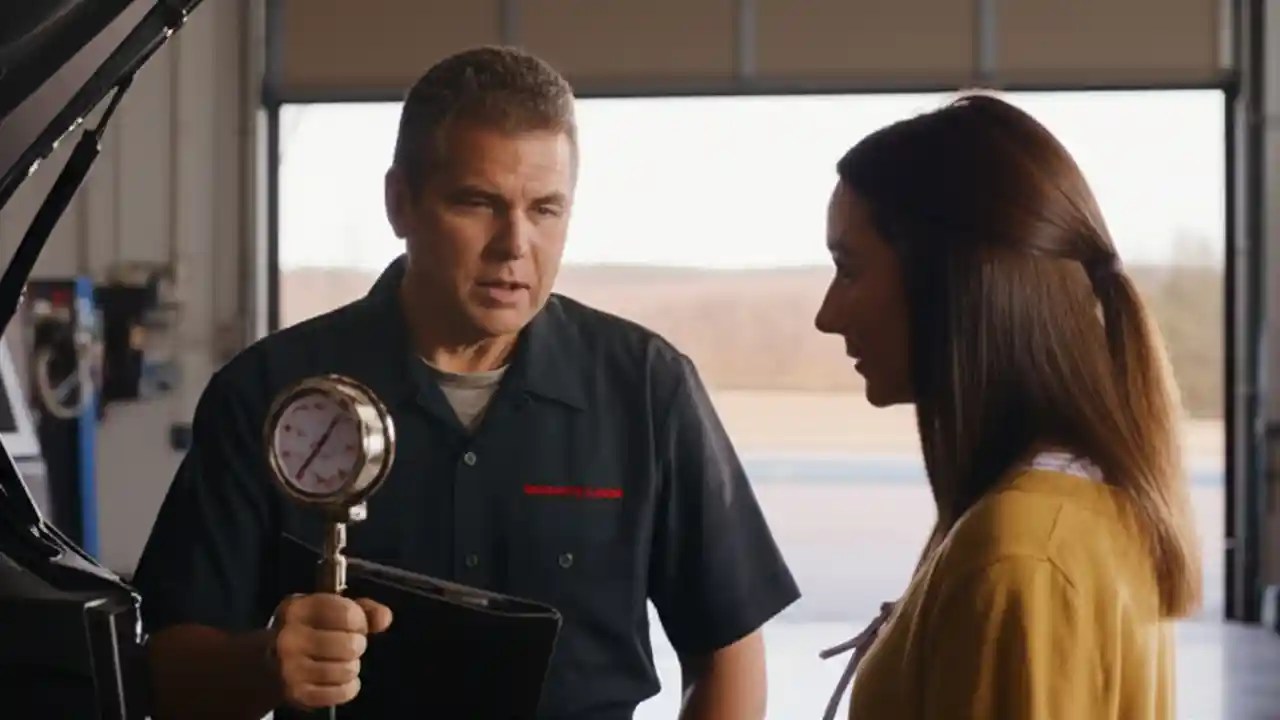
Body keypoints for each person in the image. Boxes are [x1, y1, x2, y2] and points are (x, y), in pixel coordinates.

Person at [132, 45, 799, 719]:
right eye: (478, 202)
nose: (514, 244)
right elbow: (170, 667)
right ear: (401, 204)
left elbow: (726, 652)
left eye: (545, 209)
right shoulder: (268, 392)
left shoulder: (648, 389)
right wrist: (265, 664)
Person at [813, 93, 1201, 719]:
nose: (827, 315)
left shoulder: (1020, 552)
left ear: (951, 282)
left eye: (849, 269)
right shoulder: (1072, 509)